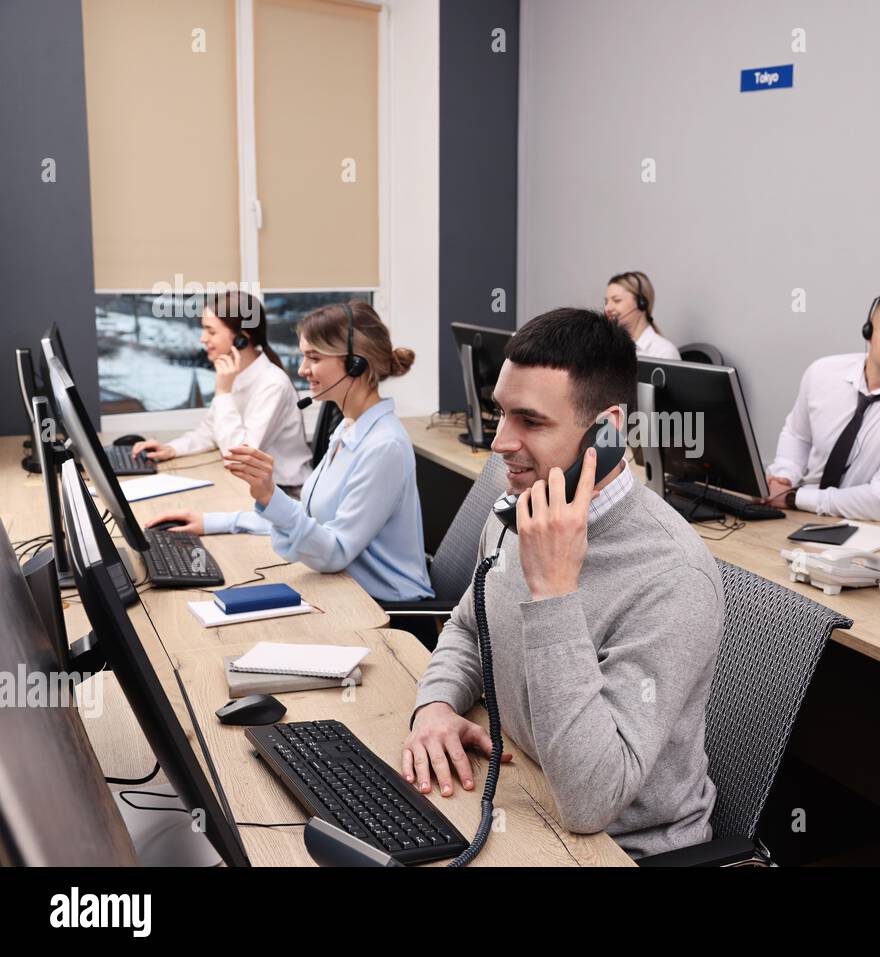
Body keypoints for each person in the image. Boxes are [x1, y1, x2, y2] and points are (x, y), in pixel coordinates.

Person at [403, 308, 724, 859]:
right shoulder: (520, 508)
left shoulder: (673, 577)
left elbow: (591, 800)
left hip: (620, 849)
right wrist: (435, 704)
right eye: (501, 413)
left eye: (530, 421)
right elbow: (465, 626)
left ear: (608, 429)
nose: (501, 443)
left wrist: (554, 592)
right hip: (516, 789)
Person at [147, 300, 434, 604]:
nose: (301, 369)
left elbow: (334, 553)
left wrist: (269, 494)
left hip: (386, 609)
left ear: (355, 363)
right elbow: (308, 519)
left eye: (313, 357)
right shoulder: (350, 427)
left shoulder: (383, 445)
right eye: (302, 356)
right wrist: (213, 522)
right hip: (344, 591)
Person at [766, 288, 880, 523]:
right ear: (869, 332)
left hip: (865, 530)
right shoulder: (822, 372)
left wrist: (794, 497)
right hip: (793, 512)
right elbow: (797, 435)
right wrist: (784, 477)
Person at [132, 291, 312, 493]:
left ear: (241, 338)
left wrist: (223, 392)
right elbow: (211, 431)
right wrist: (172, 449)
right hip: (255, 488)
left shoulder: (272, 384)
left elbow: (239, 457)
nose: (202, 338)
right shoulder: (236, 373)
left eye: (211, 331)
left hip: (286, 492)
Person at [604, 270, 680, 359]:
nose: (607, 308)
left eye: (617, 300)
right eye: (606, 302)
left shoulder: (664, 352)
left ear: (641, 303)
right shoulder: (609, 348)